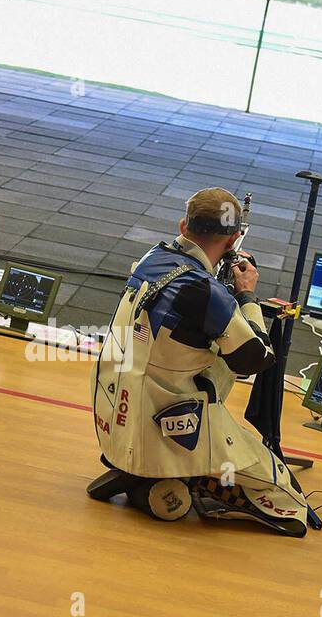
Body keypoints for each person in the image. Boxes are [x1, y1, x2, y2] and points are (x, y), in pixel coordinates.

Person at [88, 187, 310, 537]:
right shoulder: (207, 292)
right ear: (234, 239)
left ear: (183, 225)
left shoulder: (151, 257)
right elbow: (255, 358)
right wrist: (247, 296)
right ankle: (180, 471)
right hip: (162, 425)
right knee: (287, 498)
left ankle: (164, 470)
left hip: (115, 421)